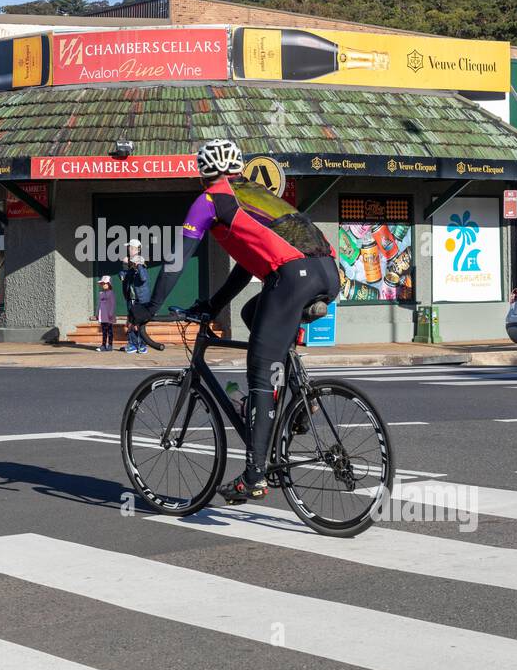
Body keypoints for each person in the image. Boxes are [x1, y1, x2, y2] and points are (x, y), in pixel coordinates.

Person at [130, 139, 339, 504]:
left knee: (259, 371)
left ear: (203, 174)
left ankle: (254, 477)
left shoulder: (210, 200)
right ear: (237, 168)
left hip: (292, 276)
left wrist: (148, 308)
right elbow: (246, 265)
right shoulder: (254, 195)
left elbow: (177, 259)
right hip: (326, 272)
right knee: (252, 315)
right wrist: (213, 304)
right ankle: (303, 398)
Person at [120, 253, 150, 354]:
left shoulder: (143, 271)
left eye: (134, 263)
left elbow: (143, 278)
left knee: (140, 323)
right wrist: (124, 265)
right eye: (132, 263)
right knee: (131, 323)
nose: (132, 265)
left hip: (141, 301)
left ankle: (142, 345)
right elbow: (122, 276)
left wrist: (139, 266)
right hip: (131, 300)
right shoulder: (131, 272)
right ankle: (132, 344)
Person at [96, 275, 116, 352]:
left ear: (109, 284)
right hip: (102, 315)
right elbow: (99, 304)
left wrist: (111, 313)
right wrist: (97, 313)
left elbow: (113, 304)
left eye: (105, 283)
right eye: (102, 283)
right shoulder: (101, 293)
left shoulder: (111, 293)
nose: (103, 285)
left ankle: (110, 345)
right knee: (104, 331)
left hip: (109, 316)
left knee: (110, 331)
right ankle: (103, 345)